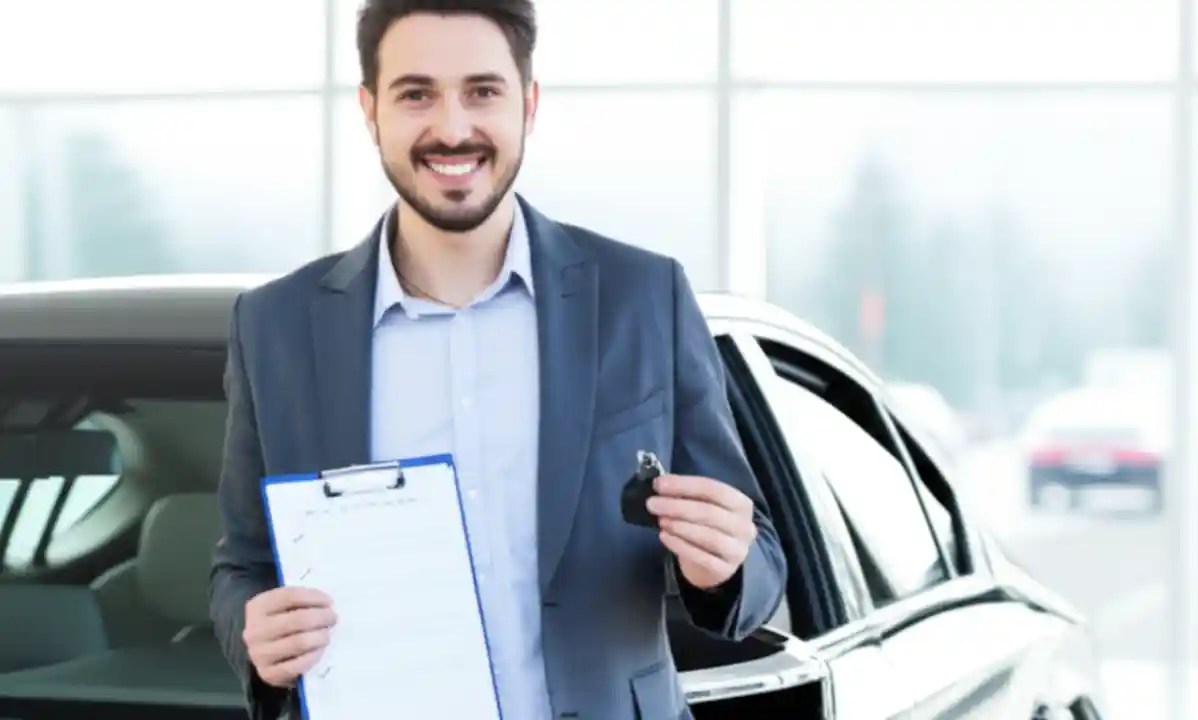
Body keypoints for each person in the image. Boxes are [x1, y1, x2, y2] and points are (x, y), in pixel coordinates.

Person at [207, 1, 787, 718]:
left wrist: (723, 567)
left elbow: (758, 568)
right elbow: (243, 566)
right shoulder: (276, 326)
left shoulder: (643, 297)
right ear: (369, 111)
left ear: (529, 106)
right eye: (416, 93)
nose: (452, 128)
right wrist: (254, 635)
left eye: (482, 91)